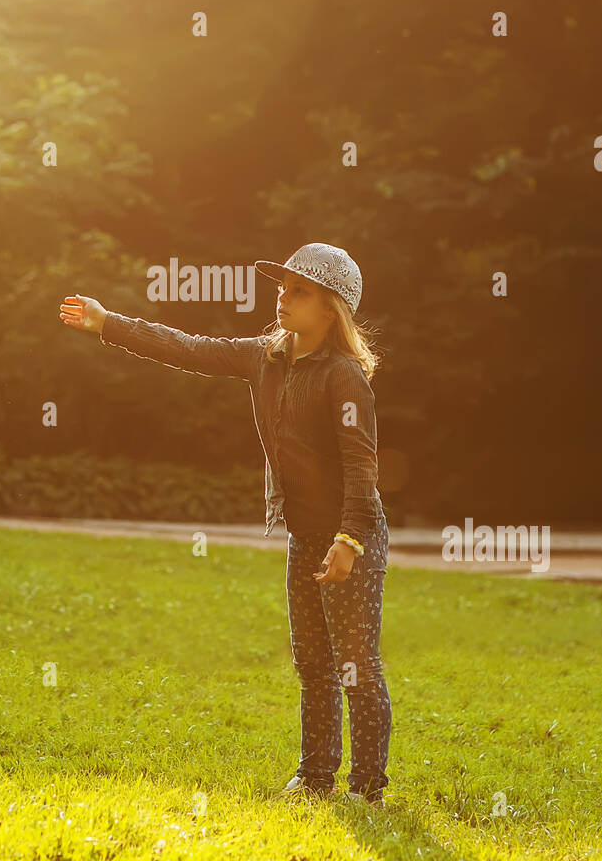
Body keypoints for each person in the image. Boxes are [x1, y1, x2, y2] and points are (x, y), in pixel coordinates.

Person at [59, 242, 391, 811]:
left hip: (349, 537)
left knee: (355, 667)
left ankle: (366, 790)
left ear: (331, 308)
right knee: (312, 664)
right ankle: (315, 777)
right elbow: (187, 348)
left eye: (298, 292)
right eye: (281, 288)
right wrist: (107, 322)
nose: (282, 299)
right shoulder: (263, 357)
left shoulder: (344, 379)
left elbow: (362, 466)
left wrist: (349, 539)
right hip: (304, 534)